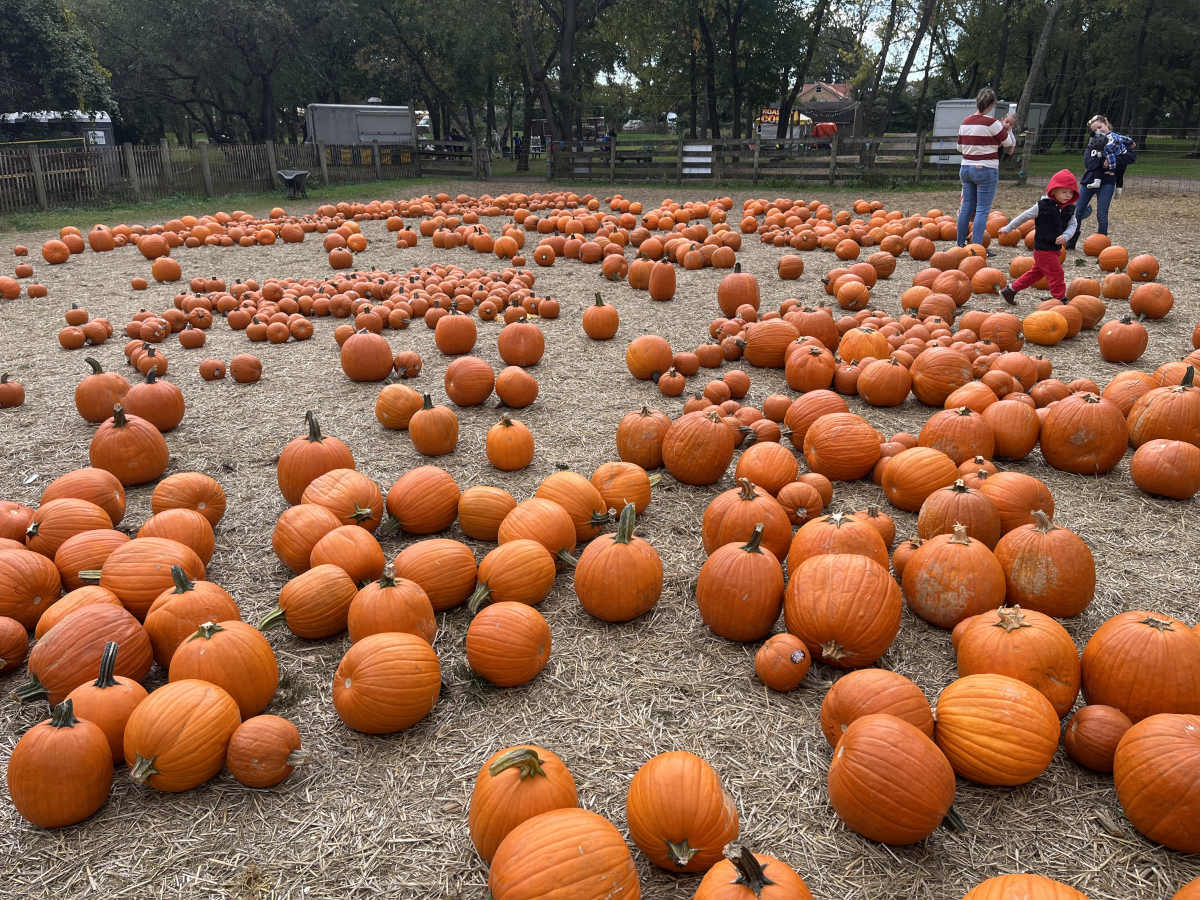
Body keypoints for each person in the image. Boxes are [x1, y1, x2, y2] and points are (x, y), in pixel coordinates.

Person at [997, 169, 1079, 305]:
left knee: (1035, 274)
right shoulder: (1042, 206)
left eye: (1071, 192)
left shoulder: (1069, 208)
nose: (1068, 195)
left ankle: (1010, 290)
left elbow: (1073, 225)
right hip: (1043, 249)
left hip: (1055, 248)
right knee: (1057, 273)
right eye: (1064, 192)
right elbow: (1024, 216)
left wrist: (1067, 235)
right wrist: (1008, 228)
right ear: (1053, 191)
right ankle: (1059, 298)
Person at [956, 88, 1017, 248]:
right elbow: (1008, 143)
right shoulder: (993, 123)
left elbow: (960, 148)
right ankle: (976, 248)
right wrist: (1008, 131)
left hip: (966, 168)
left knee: (966, 207)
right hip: (986, 169)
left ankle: (960, 244)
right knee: (982, 210)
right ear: (991, 105)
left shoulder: (965, 122)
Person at [1066, 114, 1135, 249]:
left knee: (1102, 213)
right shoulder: (1093, 142)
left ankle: (1101, 244)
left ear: (1106, 124)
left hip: (1107, 182)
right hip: (1089, 182)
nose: (1098, 130)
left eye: (1100, 127)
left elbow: (1131, 157)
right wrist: (1103, 161)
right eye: (1095, 129)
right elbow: (1088, 163)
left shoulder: (1117, 140)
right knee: (1078, 211)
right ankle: (1072, 240)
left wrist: (1111, 161)